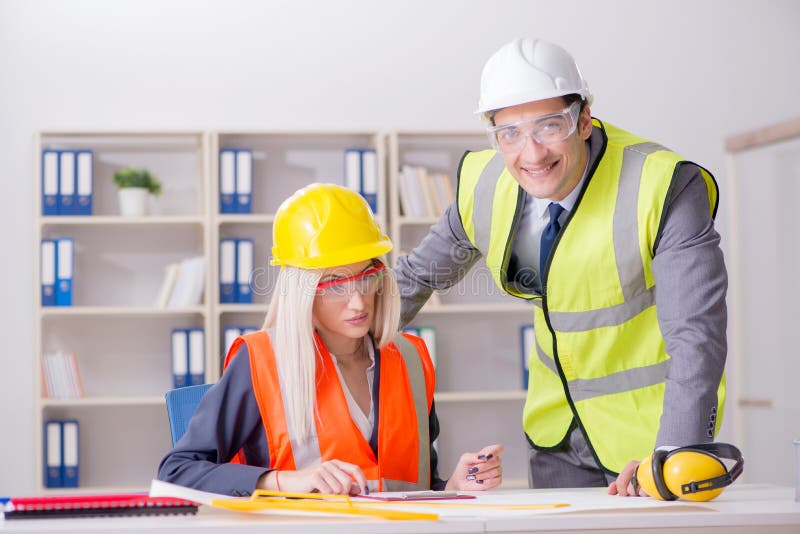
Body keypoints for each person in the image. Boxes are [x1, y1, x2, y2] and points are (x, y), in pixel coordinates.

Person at [394, 38, 727, 496]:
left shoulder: (663, 186)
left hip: (648, 441)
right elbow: (412, 282)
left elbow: (697, 337)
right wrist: (309, 335)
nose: (530, 154)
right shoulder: (486, 186)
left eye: (550, 126)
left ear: (583, 119)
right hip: (555, 436)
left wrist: (673, 456)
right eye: (508, 133)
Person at [158, 183, 503, 496]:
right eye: (335, 283)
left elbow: (412, 485)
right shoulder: (261, 361)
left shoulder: (412, 360)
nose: (358, 301)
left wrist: (453, 486)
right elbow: (176, 472)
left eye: (366, 277)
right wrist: (282, 480)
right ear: (301, 291)